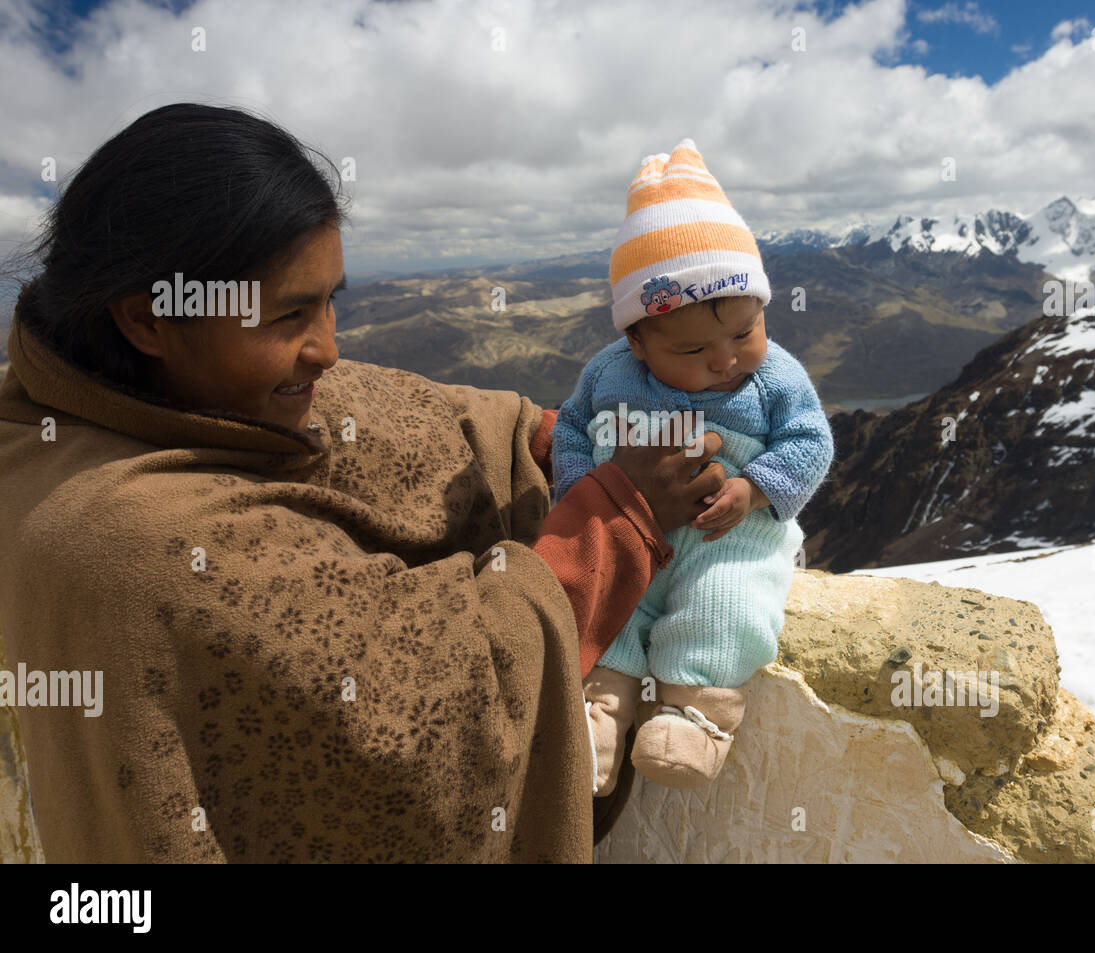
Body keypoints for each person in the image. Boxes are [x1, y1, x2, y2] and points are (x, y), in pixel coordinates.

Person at [0, 103, 726, 863]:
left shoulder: (116, 400)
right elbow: (432, 722)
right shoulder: (134, 539)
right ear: (149, 320)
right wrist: (615, 516)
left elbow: (414, 416)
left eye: (330, 301)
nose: (327, 349)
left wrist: (565, 436)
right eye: (289, 315)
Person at [556, 139, 834, 795]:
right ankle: (597, 707)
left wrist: (756, 487)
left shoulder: (776, 378)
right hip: (629, 530)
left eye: (744, 332)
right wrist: (578, 489)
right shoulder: (607, 374)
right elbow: (570, 425)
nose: (724, 359)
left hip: (726, 539)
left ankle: (691, 712)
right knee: (611, 604)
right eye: (691, 346)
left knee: (728, 604)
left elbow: (809, 440)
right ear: (637, 339)